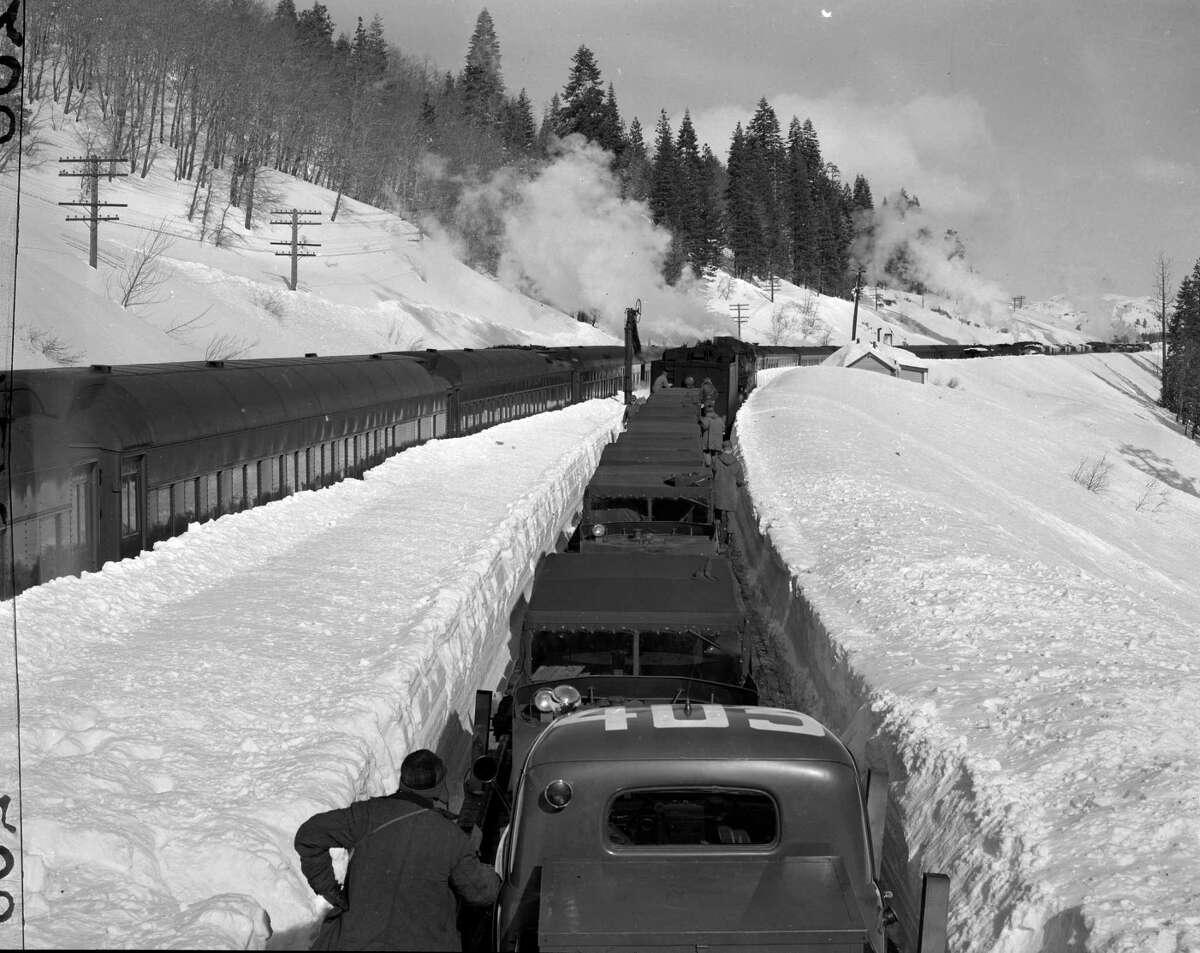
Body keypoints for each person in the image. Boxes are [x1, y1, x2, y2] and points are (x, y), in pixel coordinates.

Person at [294, 749, 500, 952]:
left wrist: (329, 889)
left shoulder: (367, 815)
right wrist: (495, 879)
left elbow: (309, 835)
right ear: (439, 787)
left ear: (403, 781)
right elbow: (480, 893)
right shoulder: (452, 837)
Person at [711, 440, 744, 553]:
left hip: (719, 491)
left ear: (722, 449)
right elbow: (740, 481)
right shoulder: (737, 464)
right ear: (732, 449)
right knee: (731, 516)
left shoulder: (716, 460)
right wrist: (739, 483)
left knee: (717, 512)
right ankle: (729, 538)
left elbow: (713, 471)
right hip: (731, 493)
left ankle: (717, 532)